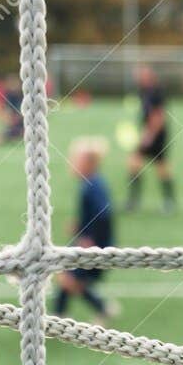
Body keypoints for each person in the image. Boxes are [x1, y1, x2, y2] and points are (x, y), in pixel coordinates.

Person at [53, 137, 119, 323]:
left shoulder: (92, 187)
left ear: (89, 164)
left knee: (68, 278)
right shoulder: (90, 183)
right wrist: (80, 226)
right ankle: (99, 308)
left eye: (76, 160)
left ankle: (59, 318)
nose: (72, 164)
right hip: (90, 241)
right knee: (70, 278)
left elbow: (103, 215)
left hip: (95, 244)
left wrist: (90, 239)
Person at [124, 65, 175, 213]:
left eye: (141, 75)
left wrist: (149, 136)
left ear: (149, 76)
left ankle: (167, 202)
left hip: (156, 135)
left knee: (161, 168)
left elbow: (158, 117)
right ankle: (135, 201)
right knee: (135, 163)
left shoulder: (156, 92)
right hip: (149, 134)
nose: (138, 77)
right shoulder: (143, 91)